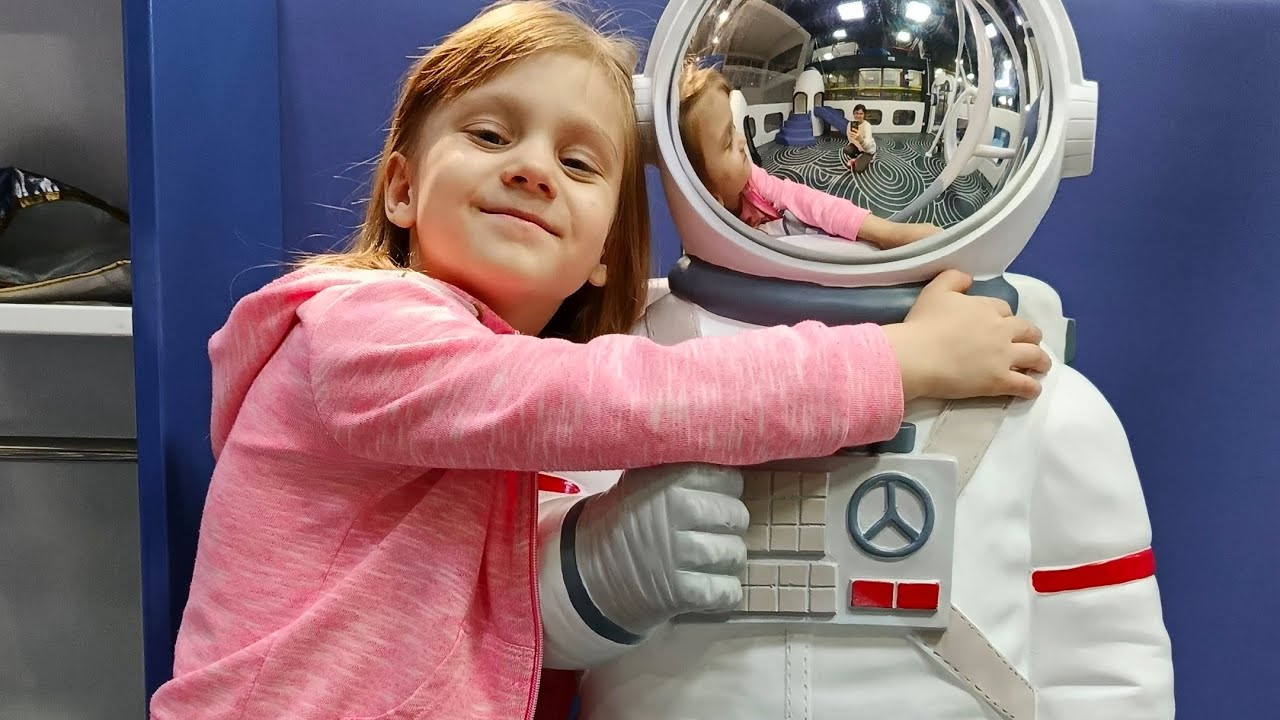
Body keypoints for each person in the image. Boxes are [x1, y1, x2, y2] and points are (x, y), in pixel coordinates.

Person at [147, 2, 1049, 719]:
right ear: (403, 190)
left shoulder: (483, 379)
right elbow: (635, 396)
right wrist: (900, 360)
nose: (533, 168)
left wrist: (734, 187)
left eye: (579, 163)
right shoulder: (363, 330)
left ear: (606, 256)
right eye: (491, 135)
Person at [680, 65, 938, 250]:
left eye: (735, 129)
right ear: (711, 196)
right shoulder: (716, 240)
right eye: (727, 142)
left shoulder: (753, 180)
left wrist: (884, 231)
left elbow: (804, 199)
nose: (742, 141)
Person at [843, 103, 876, 173]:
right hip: (858, 147)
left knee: (858, 169)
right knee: (846, 149)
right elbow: (850, 139)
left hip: (868, 150)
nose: (858, 116)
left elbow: (868, 144)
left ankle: (871, 156)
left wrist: (861, 140)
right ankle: (858, 157)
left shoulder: (867, 126)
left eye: (861, 114)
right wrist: (856, 144)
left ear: (864, 115)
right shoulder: (850, 124)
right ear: (853, 114)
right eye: (856, 113)